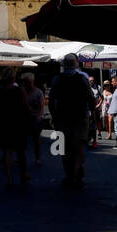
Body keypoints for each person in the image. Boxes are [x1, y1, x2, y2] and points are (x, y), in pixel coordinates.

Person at [49, 52, 96, 188]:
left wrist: (54, 115)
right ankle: (75, 174)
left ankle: (69, 174)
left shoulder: (57, 79)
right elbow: (90, 98)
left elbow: (52, 99)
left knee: (64, 148)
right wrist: (92, 113)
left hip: (62, 118)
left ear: (64, 65)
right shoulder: (82, 78)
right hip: (80, 117)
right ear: (76, 64)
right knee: (79, 146)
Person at [0, 70, 31, 189]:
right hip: (18, 123)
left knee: (7, 152)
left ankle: (9, 178)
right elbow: (26, 106)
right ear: (13, 78)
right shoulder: (19, 90)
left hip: (5, 123)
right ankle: (23, 173)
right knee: (20, 151)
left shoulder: (1, 91)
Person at [22, 73, 45, 165]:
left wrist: (39, 116)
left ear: (33, 82)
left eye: (29, 82)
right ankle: (21, 156)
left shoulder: (38, 92)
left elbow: (41, 106)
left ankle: (38, 158)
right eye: (26, 82)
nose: (28, 84)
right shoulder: (23, 91)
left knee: (36, 139)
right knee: (22, 139)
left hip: (35, 118)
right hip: (25, 118)